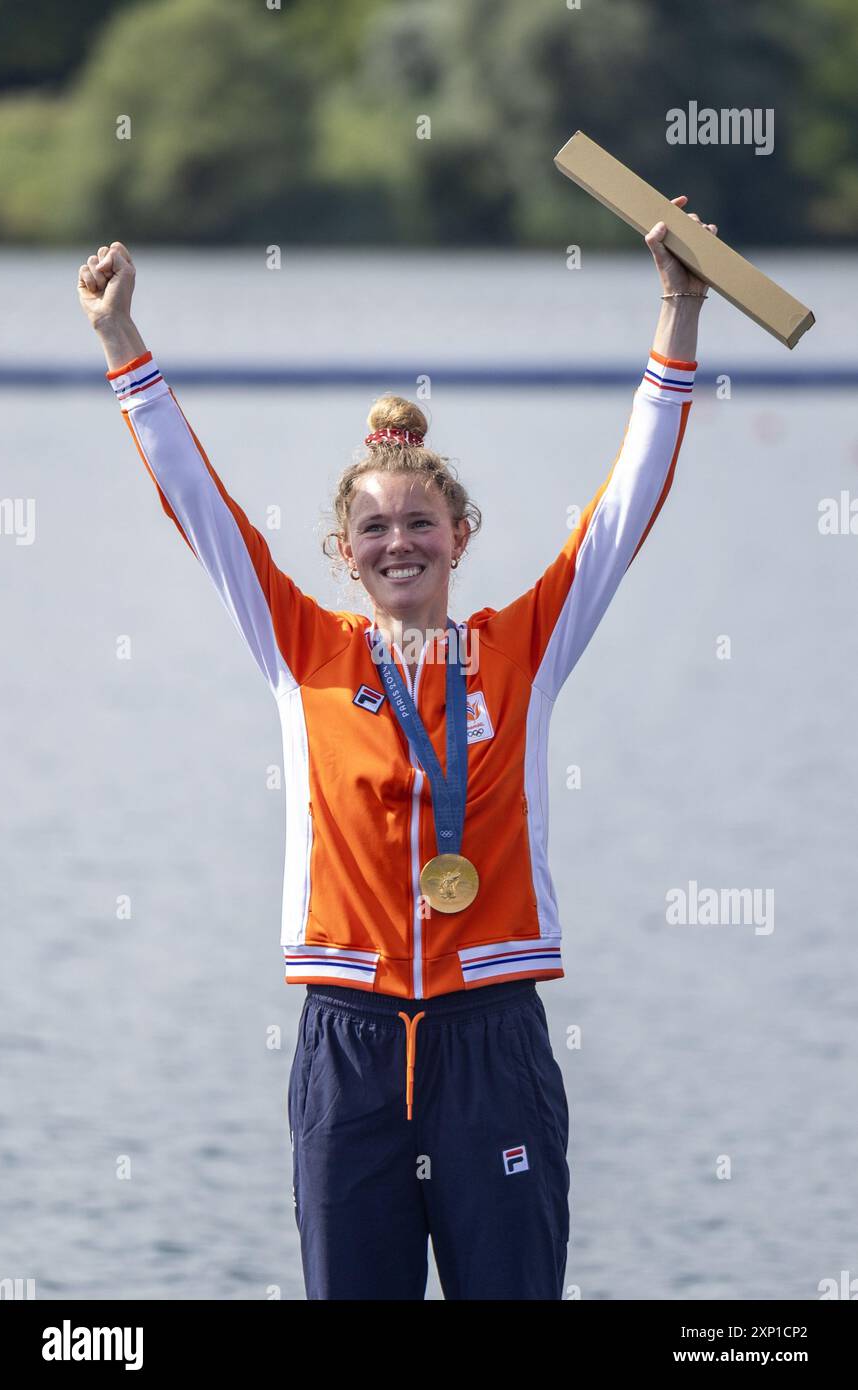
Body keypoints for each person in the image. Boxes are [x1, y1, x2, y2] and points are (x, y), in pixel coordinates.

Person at [77, 199, 717, 1300]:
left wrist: (676, 308)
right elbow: (201, 505)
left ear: (459, 535)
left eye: (419, 522)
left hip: (490, 1038)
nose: (399, 542)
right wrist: (122, 342)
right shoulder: (300, 651)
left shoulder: (522, 647)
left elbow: (620, 509)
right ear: (344, 552)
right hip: (348, 1044)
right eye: (374, 528)